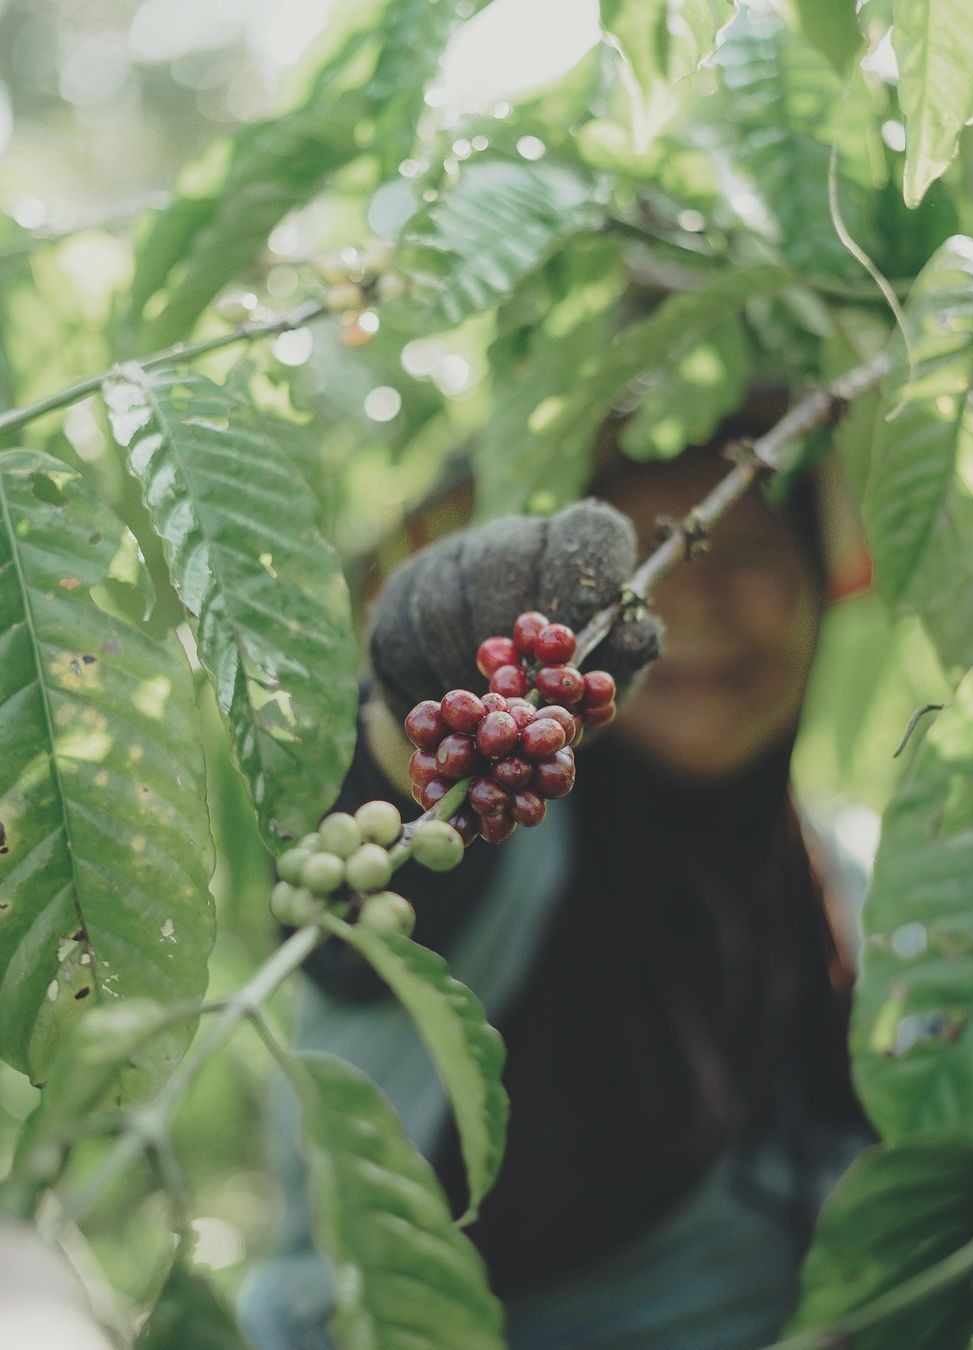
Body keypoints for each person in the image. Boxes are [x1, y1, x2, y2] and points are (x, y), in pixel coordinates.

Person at [240, 401, 874, 1350]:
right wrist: (417, 697)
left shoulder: (841, 888)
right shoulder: (503, 834)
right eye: (650, 566)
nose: (696, 603)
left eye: (741, 553)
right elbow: (377, 871)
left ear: (817, 582)